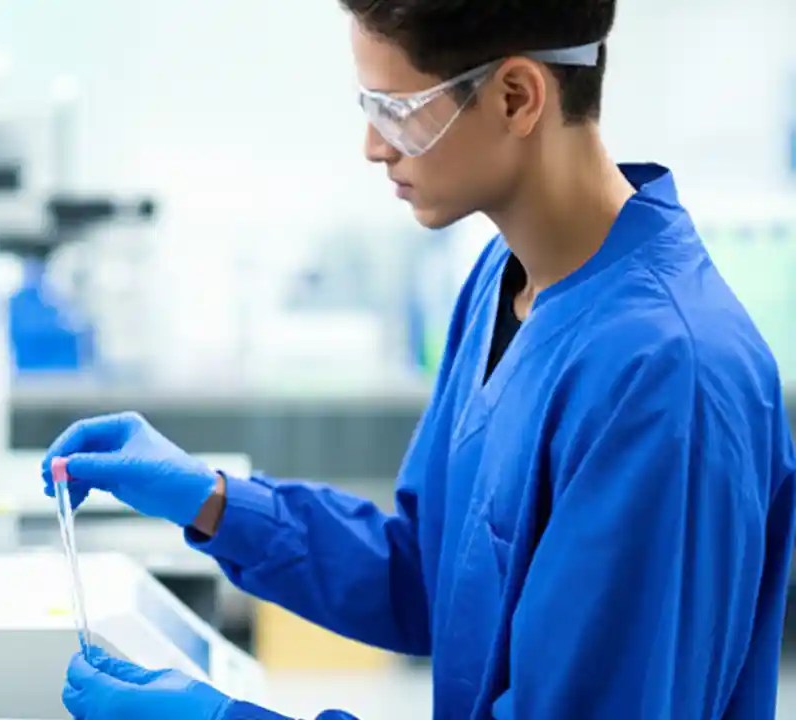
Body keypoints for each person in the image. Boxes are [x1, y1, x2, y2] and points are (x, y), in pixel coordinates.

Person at [45, 0, 796, 717]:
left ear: (514, 96)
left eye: (397, 111)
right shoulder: (505, 285)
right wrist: (212, 500)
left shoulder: (666, 375)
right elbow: (428, 580)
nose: (374, 146)